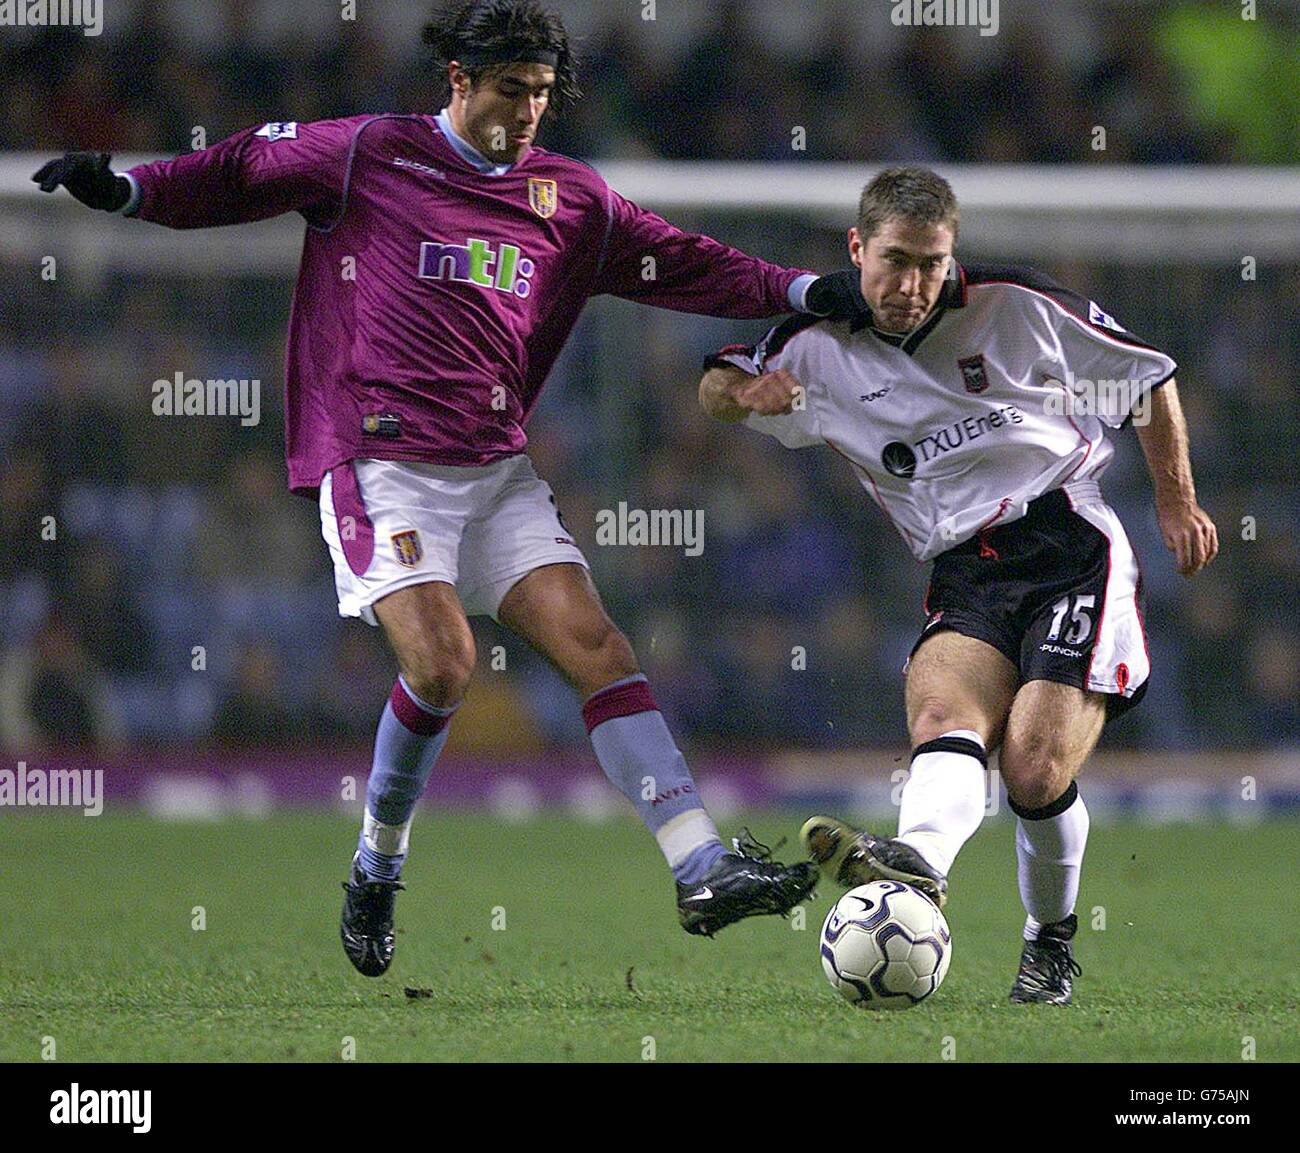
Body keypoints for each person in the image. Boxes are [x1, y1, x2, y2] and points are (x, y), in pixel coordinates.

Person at [34, 0, 831, 976]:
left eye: (542, 92)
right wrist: (125, 191)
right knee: (446, 663)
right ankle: (377, 864)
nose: (529, 108)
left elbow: (684, 263)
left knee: (596, 645)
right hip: (379, 465)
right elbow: (237, 169)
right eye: (510, 88)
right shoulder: (371, 154)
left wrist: (799, 292)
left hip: (493, 470)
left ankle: (699, 862)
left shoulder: (567, 198)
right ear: (458, 79)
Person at [699, 166, 1218, 1004]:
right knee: (943, 717)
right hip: (962, 567)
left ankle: (1048, 940)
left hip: (1068, 540)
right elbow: (714, 380)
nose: (913, 285)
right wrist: (745, 395)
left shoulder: (1015, 305)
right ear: (856, 249)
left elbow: (1148, 378)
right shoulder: (815, 344)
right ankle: (920, 867)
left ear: (953, 256)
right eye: (896, 260)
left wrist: (1176, 500)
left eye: (932, 264)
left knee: (1033, 772)